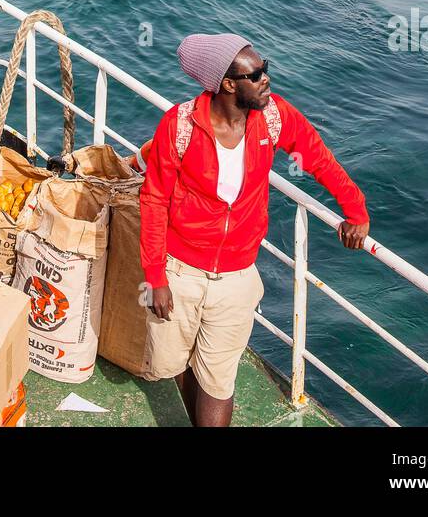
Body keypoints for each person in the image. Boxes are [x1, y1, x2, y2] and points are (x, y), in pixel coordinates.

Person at [140, 33, 370, 429]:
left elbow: (317, 158)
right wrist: (156, 277)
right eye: (256, 74)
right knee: (172, 364)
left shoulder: (274, 117)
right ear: (228, 84)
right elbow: (154, 200)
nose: (266, 79)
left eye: (266, 69)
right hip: (179, 271)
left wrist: (355, 209)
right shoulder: (179, 125)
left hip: (237, 276)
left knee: (219, 380)